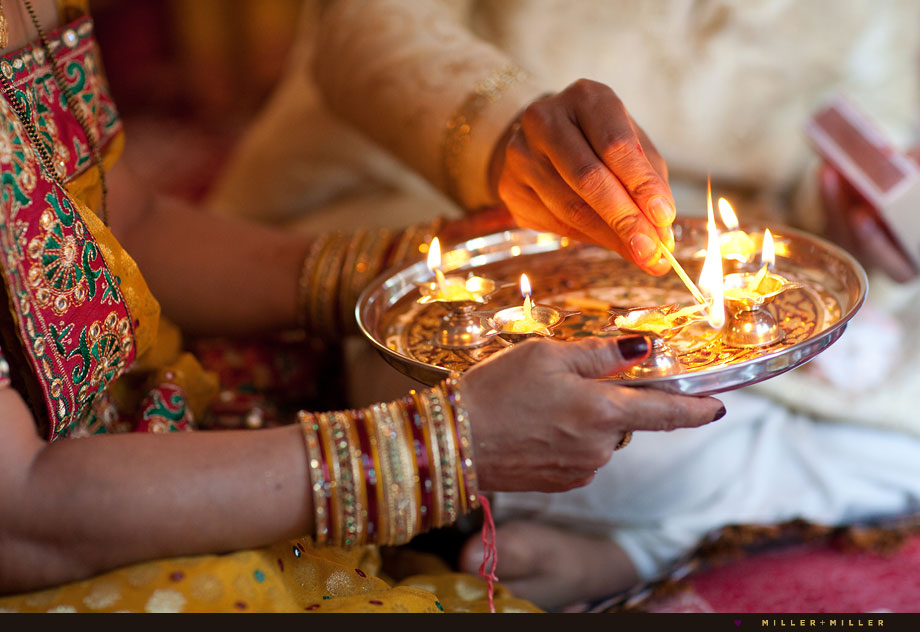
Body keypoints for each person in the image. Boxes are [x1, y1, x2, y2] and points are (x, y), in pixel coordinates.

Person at [0, 0, 727, 614]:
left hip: (140, 415)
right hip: (75, 519)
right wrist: (442, 447)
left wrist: (421, 266)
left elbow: (126, 225)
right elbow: (18, 518)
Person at [206, 0, 920, 610]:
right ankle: (671, 519)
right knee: (610, 432)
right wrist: (499, 130)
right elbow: (363, 25)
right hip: (442, 212)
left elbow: (861, 114)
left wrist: (842, 204)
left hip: (717, 236)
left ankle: (650, 539)